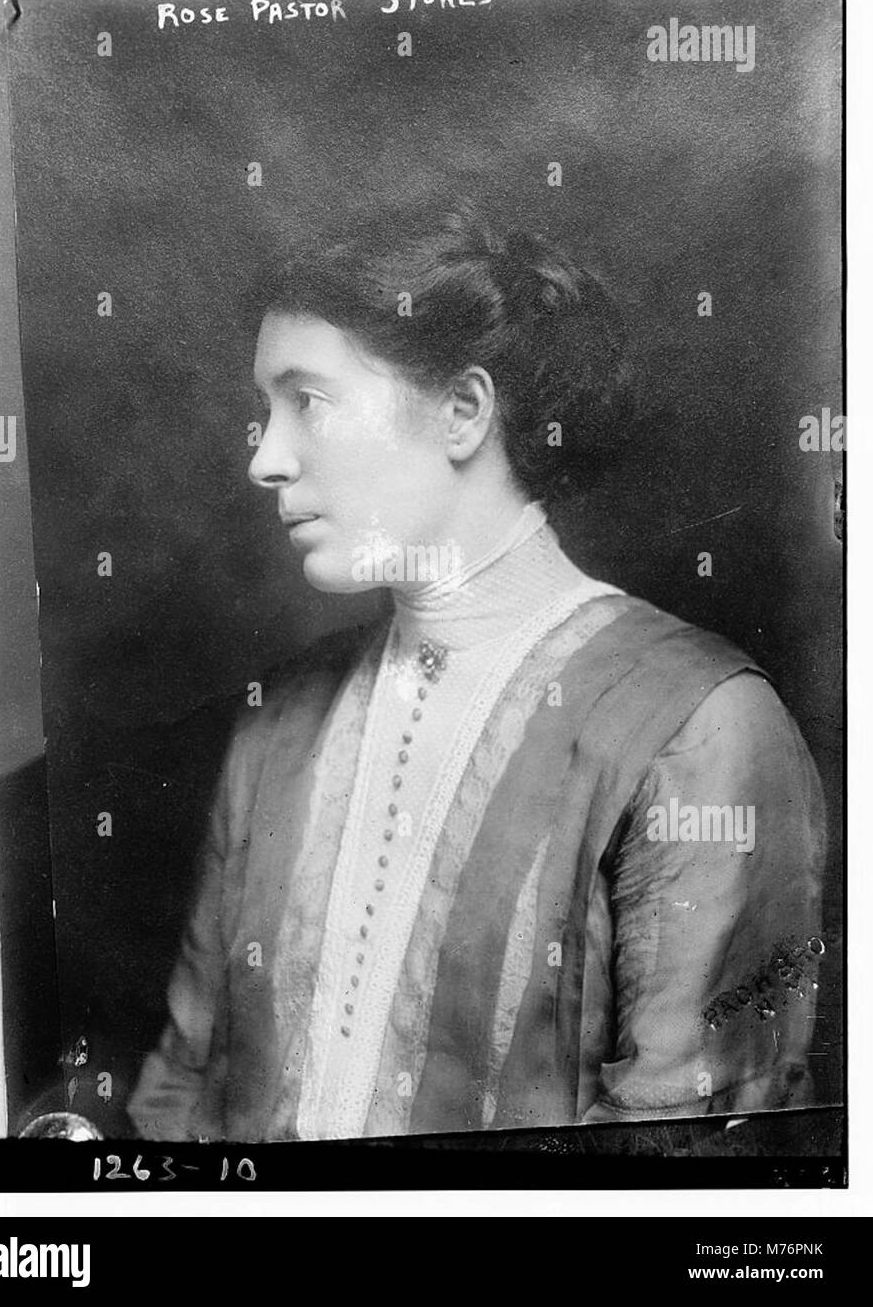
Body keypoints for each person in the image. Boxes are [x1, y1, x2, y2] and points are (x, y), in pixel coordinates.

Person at [128, 201, 827, 1142]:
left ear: (463, 411)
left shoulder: (697, 727)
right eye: (264, 411)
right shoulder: (279, 723)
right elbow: (181, 1090)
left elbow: (691, 1161)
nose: (265, 457)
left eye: (309, 402)